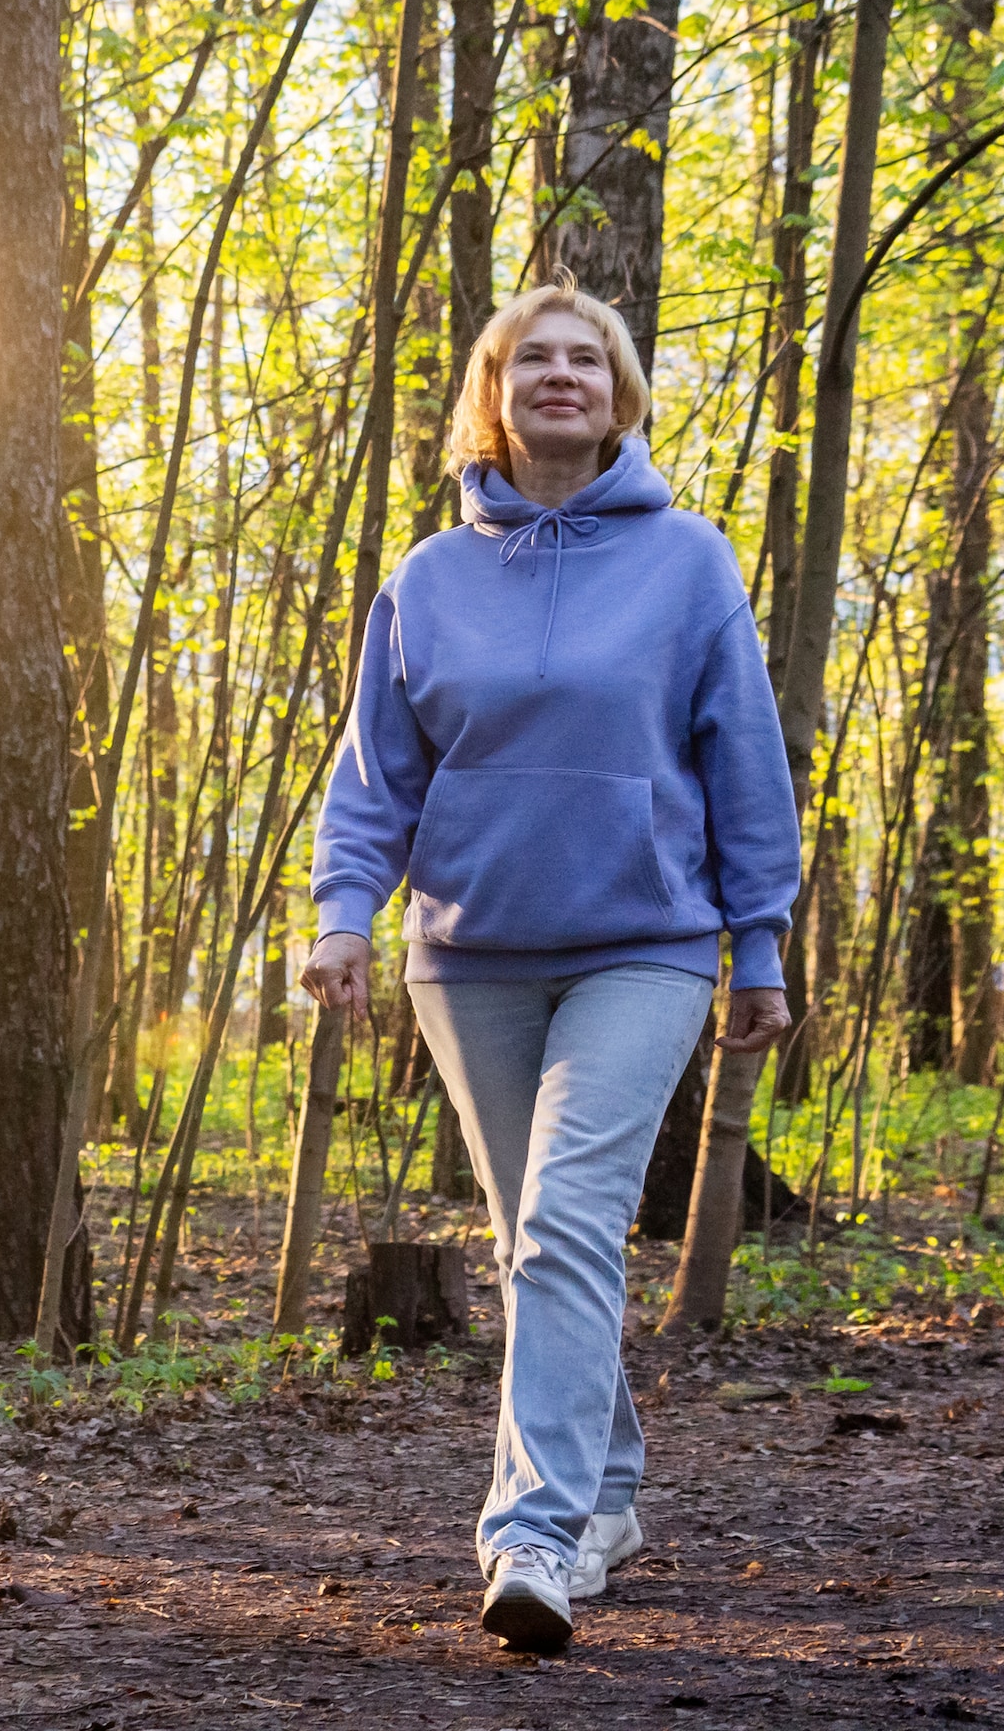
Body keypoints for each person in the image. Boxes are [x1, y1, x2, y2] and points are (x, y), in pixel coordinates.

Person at [301, 273, 800, 1653]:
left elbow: (742, 760)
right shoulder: (428, 576)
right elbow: (375, 777)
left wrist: (755, 941)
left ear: (622, 394)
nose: (561, 376)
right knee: (541, 1247)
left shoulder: (688, 559)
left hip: (645, 946)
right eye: (534, 360)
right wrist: (346, 913)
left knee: (571, 1226)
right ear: (497, 393)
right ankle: (614, 1490)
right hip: (469, 960)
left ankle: (535, 1535)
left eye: (588, 358)